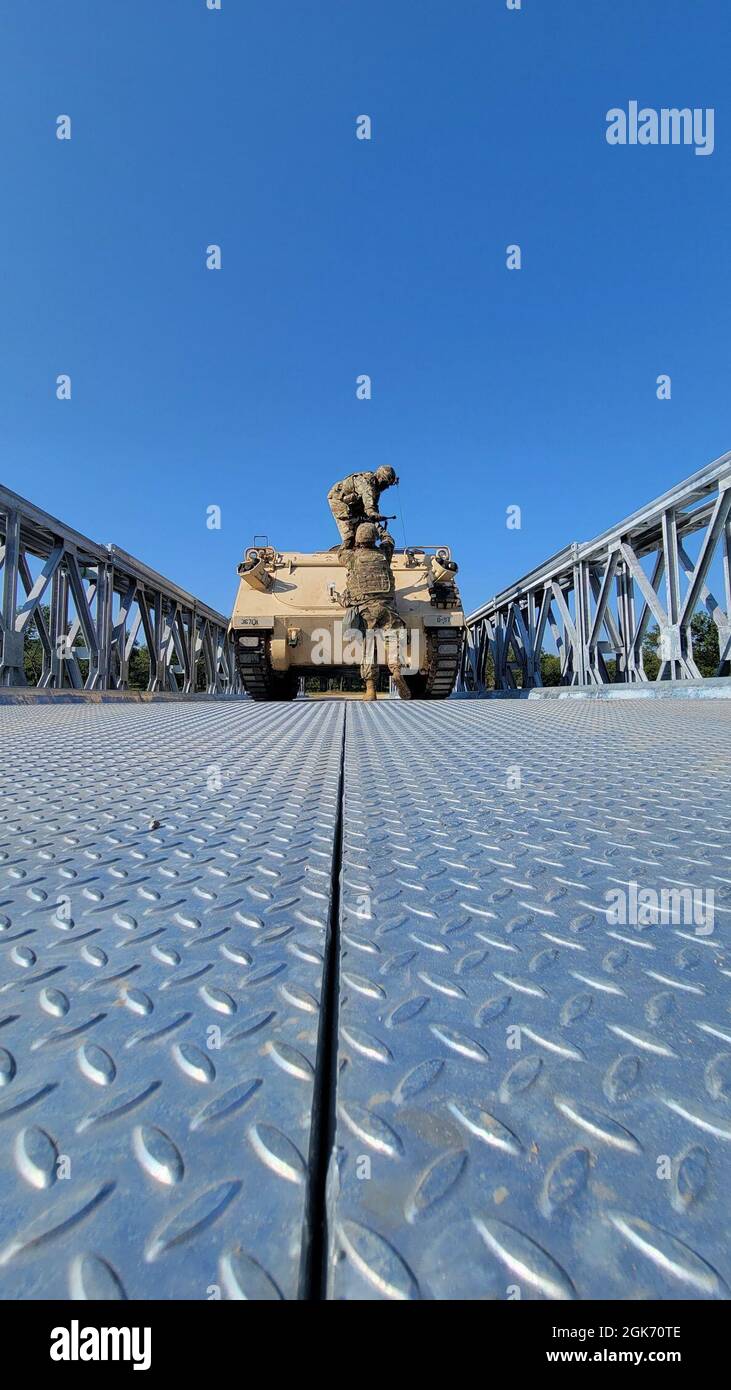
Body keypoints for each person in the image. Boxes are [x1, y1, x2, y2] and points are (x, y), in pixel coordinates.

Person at [340, 522, 411, 701]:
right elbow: (389, 540)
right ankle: (395, 670)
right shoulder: (383, 555)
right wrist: (379, 527)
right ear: (373, 538)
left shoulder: (351, 558)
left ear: (358, 539)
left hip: (365, 609)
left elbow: (341, 552)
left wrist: (349, 535)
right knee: (394, 639)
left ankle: (370, 690)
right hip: (386, 607)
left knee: (369, 647)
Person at [327, 466, 398, 549]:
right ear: (380, 477)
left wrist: (377, 525)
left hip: (354, 503)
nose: (386, 487)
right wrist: (372, 513)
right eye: (385, 483)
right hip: (338, 500)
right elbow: (367, 497)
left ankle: (360, 547)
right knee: (349, 532)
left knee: (366, 526)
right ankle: (346, 551)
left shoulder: (376, 490)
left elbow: (372, 509)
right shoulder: (366, 481)